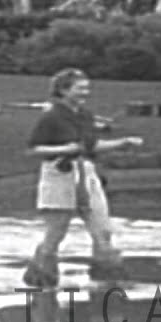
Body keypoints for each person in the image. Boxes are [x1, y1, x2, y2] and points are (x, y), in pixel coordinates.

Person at [23, 68, 144, 287]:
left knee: (103, 230)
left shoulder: (86, 116)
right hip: (59, 174)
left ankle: (107, 280)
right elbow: (33, 150)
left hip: (86, 172)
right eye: (79, 88)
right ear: (63, 90)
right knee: (56, 232)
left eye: (87, 88)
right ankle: (41, 277)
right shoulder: (50, 117)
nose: (85, 92)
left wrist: (123, 142)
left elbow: (92, 145)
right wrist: (64, 149)